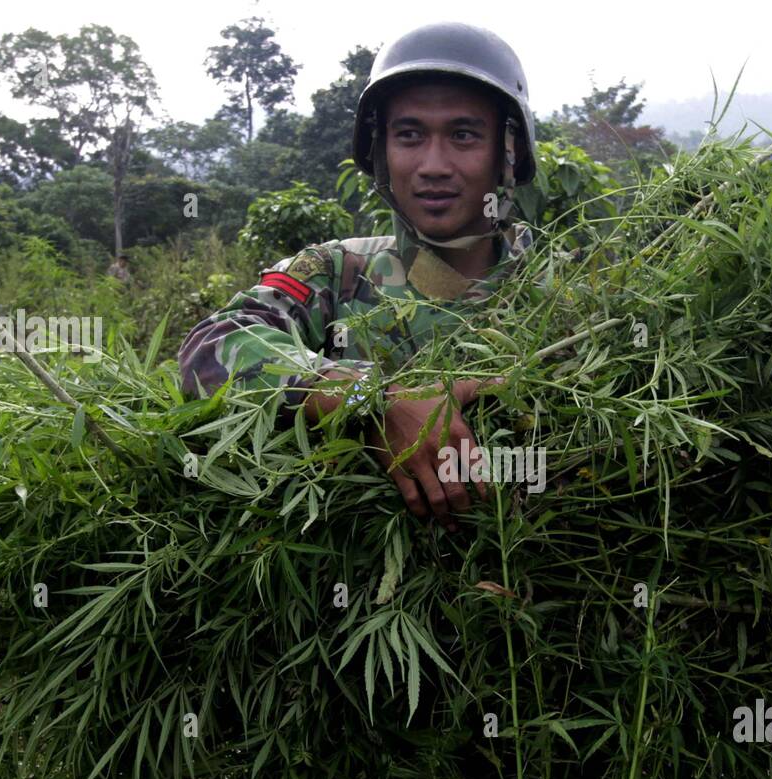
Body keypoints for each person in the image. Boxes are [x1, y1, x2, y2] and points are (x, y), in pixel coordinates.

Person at [178, 22, 538, 532]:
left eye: (463, 135)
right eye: (409, 135)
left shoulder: (570, 290)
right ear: (380, 153)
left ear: (509, 151)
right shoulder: (335, 272)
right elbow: (210, 350)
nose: (433, 165)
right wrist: (369, 401)